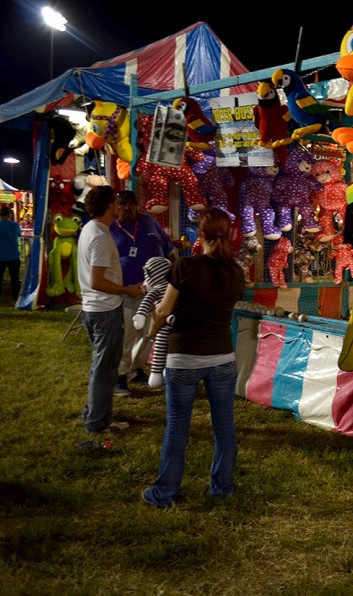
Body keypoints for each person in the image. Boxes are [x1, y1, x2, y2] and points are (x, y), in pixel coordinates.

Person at [142, 207, 245, 508]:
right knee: (224, 426)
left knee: (177, 427)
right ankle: (222, 487)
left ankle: (164, 493)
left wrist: (151, 330)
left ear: (201, 235)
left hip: (184, 358)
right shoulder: (236, 273)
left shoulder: (184, 266)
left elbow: (163, 310)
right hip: (222, 358)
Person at [76, 186, 145, 434]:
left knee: (101, 366)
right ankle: (98, 422)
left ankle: (94, 412)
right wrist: (127, 290)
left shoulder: (91, 230)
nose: (118, 206)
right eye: (115, 202)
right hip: (104, 310)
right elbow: (97, 281)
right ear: (107, 206)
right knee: (105, 369)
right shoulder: (101, 236)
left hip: (95, 308)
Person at [109, 189, 176, 396]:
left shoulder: (149, 222)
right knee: (128, 335)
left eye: (130, 204)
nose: (126, 208)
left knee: (149, 333)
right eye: (122, 204)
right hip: (129, 292)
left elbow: (169, 250)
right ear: (116, 207)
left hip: (156, 291)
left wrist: (175, 278)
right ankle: (120, 376)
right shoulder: (110, 228)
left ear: (137, 205)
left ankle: (137, 368)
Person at [0, 205, 21, 303]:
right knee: (15, 278)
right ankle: (16, 296)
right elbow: (19, 234)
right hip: (13, 255)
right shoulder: (15, 225)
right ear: (10, 215)